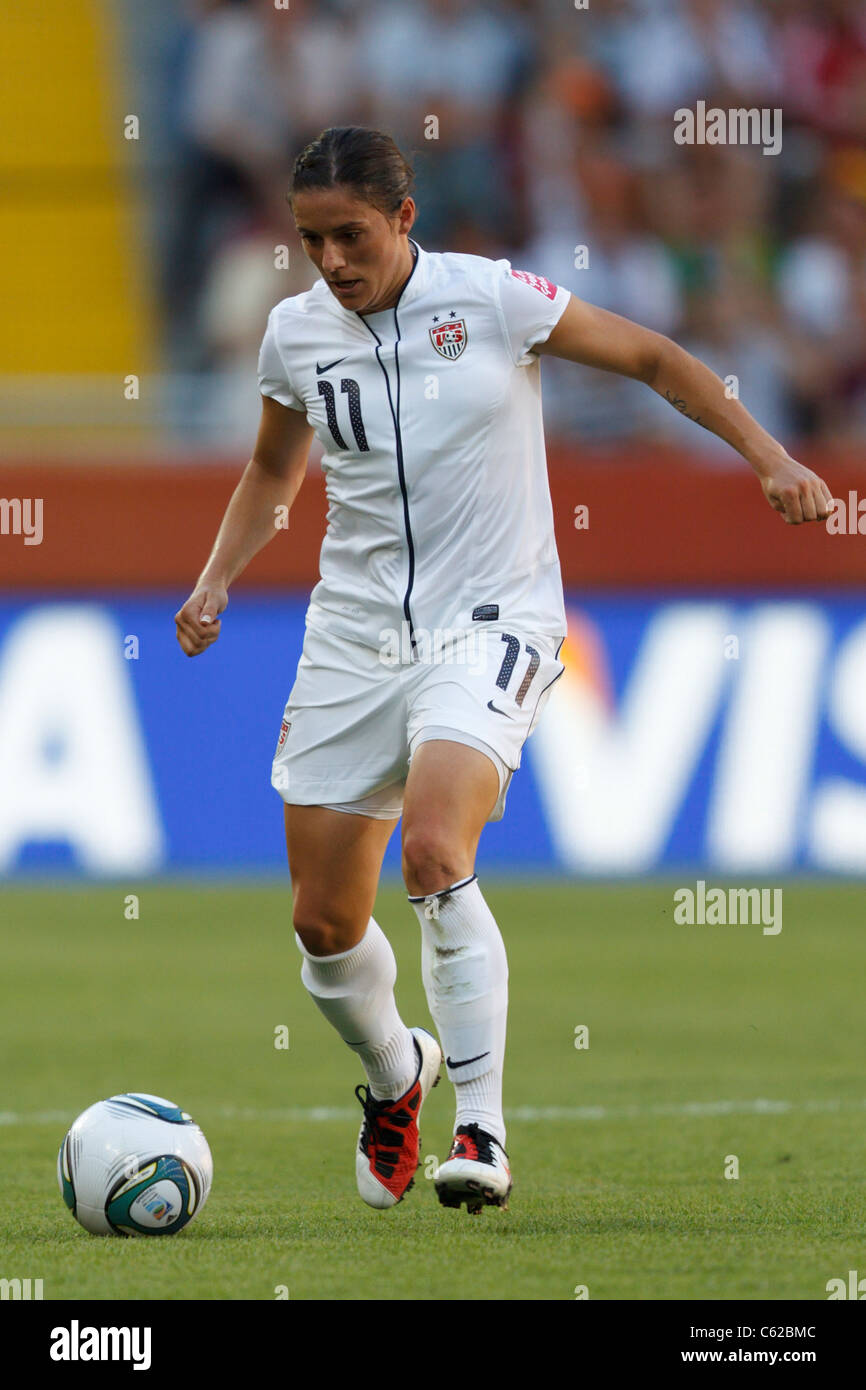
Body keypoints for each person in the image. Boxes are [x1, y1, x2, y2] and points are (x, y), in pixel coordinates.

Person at [175, 126, 832, 1216]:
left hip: (494, 620)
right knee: (322, 923)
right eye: (310, 241)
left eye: (350, 237)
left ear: (404, 219)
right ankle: (399, 1076)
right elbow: (270, 467)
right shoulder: (294, 336)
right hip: (350, 634)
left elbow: (655, 359)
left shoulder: (491, 300)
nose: (331, 262)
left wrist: (769, 457)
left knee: (434, 847)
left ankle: (479, 1126)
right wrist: (213, 580)